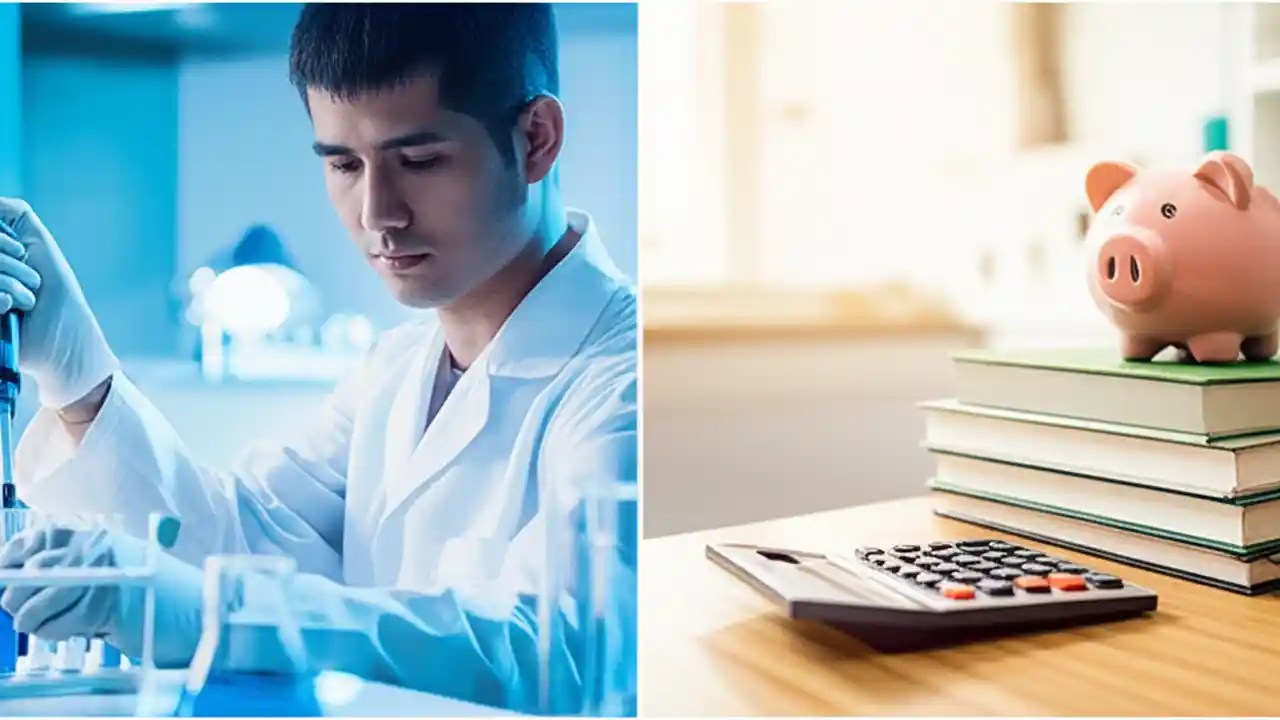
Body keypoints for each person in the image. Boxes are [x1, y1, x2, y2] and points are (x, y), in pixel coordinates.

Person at [0, 3, 635, 713]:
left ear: (537, 138)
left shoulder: (625, 384)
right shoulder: (396, 370)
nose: (377, 214)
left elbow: (560, 653)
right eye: (343, 164)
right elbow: (235, 540)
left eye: (420, 161)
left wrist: (208, 614)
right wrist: (80, 380)